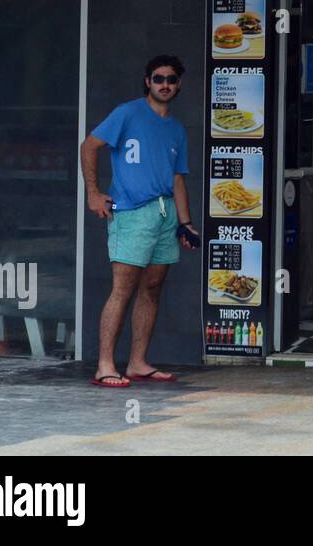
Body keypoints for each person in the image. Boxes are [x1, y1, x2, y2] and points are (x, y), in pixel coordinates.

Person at [82, 55, 199, 387]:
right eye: (159, 78)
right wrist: (93, 192)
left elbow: (177, 179)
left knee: (152, 288)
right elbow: (89, 146)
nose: (165, 84)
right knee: (123, 288)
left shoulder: (176, 128)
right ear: (148, 81)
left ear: (180, 84)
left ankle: (137, 362)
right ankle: (105, 364)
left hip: (165, 213)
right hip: (132, 212)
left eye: (172, 79)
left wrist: (185, 222)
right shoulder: (127, 112)